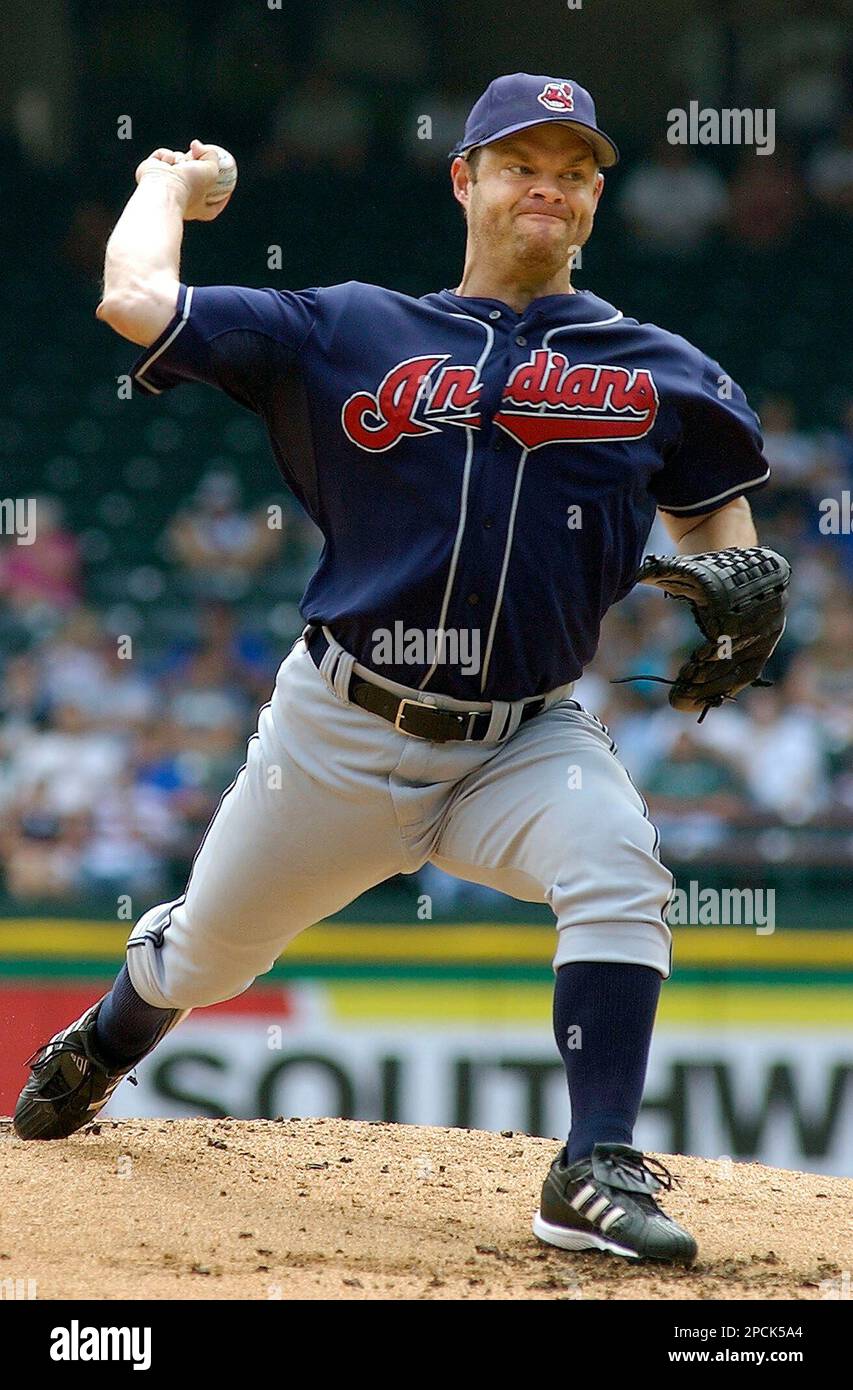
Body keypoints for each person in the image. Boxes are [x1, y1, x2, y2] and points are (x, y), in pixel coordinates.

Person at [15, 74, 778, 1268]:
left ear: (593, 202)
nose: (550, 185)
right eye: (522, 161)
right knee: (208, 955)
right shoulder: (350, 327)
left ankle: (592, 1164)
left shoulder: (656, 367)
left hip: (523, 736)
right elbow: (131, 298)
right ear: (464, 180)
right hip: (339, 730)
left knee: (618, 862)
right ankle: (111, 1036)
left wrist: (740, 581)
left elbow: (712, 519)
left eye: (574, 170)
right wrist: (162, 179)